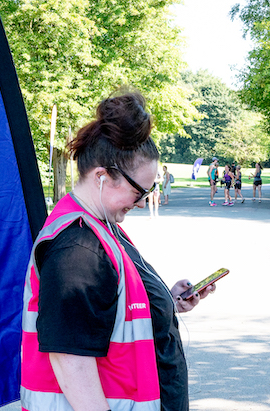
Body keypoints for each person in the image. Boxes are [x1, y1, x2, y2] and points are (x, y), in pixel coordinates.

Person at [21, 91, 216, 411]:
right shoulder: (77, 249)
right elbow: (71, 362)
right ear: (101, 177)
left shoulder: (100, 227)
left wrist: (166, 301)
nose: (142, 202)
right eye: (138, 191)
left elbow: (109, 309)